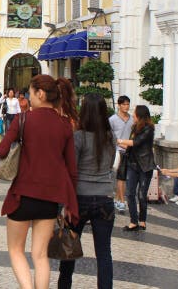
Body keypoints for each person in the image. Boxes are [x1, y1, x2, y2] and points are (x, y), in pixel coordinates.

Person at [0, 74, 78, 289]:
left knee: (16, 250)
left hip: (23, 195)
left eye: (31, 93)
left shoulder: (23, 119)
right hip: (50, 198)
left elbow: (1, 151)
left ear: (40, 94)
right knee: (40, 255)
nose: (29, 98)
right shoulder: (64, 125)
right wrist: (71, 204)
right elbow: (72, 169)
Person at [57, 93, 116, 289]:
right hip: (105, 197)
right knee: (104, 253)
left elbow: (71, 170)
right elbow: (110, 164)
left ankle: (64, 285)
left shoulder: (78, 137)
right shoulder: (110, 137)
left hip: (80, 198)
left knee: (69, 247)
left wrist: (65, 203)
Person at [117, 104, 155, 231]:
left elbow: (136, 143)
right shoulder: (134, 128)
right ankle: (133, 221)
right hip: (132, 164)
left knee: (141, 195)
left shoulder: (149, 129)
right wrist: (116, 143)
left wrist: (119, 140)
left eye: (135, 113)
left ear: (140, 115)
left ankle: (142, 221)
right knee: (130, 193)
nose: (133, 115)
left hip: (145, 165)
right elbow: (130, 146)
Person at [109, 95, 132, 212]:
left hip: (131, 151)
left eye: (128, 104)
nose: (126, 106)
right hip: (118, 151)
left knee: (123, 177)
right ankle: (122, 201)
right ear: (119, 105)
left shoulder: (132, 119)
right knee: (121, 177)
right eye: (124, 104)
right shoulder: (112, 119)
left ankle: (117, 199)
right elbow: (109, 136)